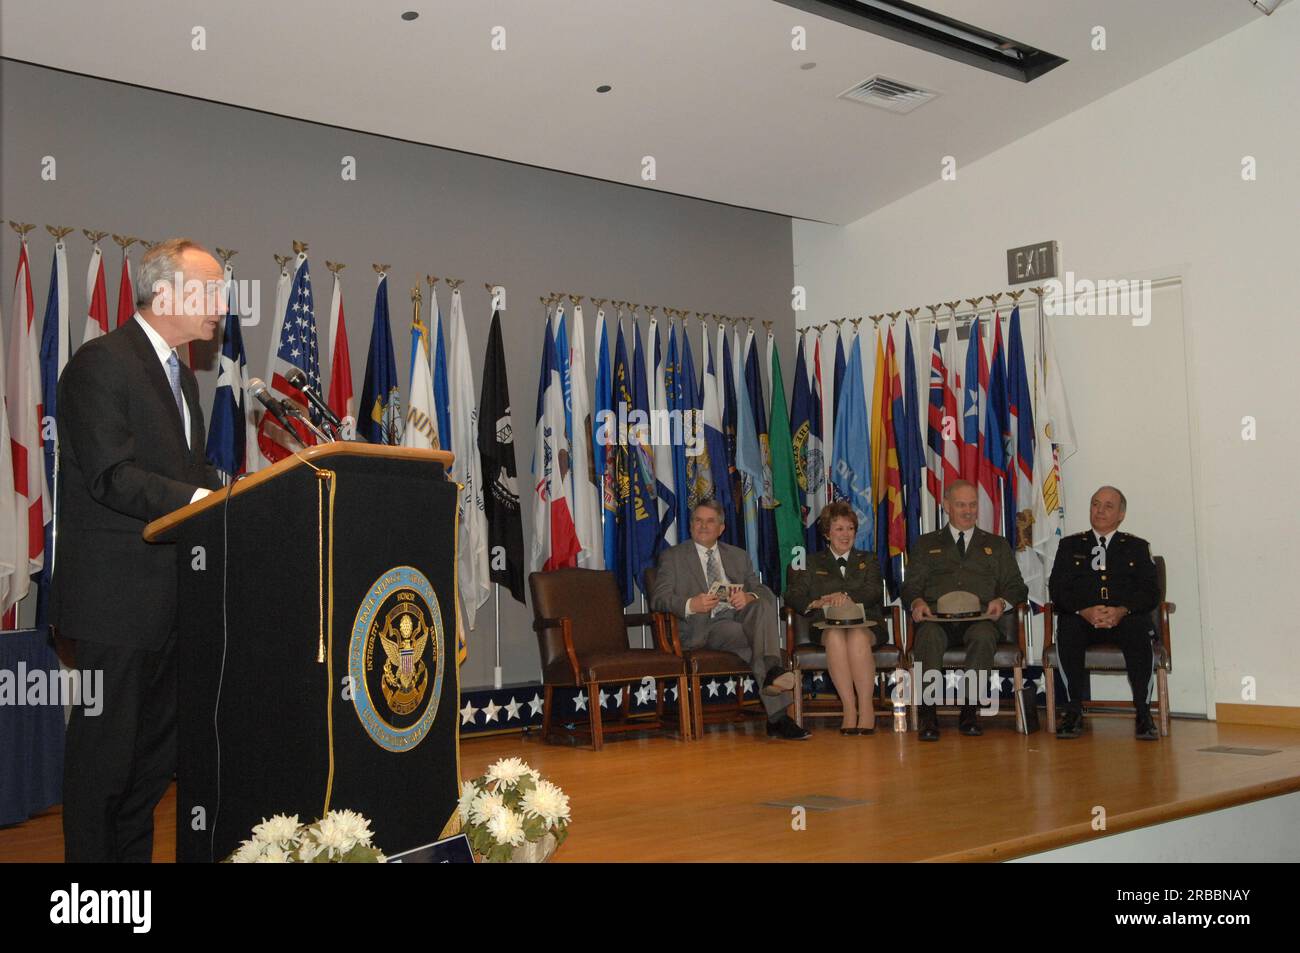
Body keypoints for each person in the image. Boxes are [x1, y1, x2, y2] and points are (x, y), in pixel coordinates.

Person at [53, 238, 226, 861]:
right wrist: (207, 498)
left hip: (173, 605)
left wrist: (228, 493)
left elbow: (185, 471)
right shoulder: (102, 363)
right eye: (212, 291)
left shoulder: (182, 376)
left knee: (148, 772)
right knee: (104, 767)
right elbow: (112, 476)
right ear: (168, 293)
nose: (223, 307)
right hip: (115, 607)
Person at [650, 499, 809, 740]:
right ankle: (777, 705)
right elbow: (659, 598)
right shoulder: (673, 557)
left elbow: (763, 590)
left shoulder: (738, 556)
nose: (703, 526)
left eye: (710, 521)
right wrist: (690, 604)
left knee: (761, 605)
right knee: (753, 640)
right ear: (691, 525)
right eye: (698, 521)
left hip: (738, 618)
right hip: (703, 626)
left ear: (721, 528)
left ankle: (774, 689)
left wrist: (749, 595)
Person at [901, 480, 1027, 741]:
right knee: (928, 636)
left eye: (972, 504)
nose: (968, 511)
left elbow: (1017, 586)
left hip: (979, 618)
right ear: (947, 506)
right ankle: (928, 714)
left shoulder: (997, 544)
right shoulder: (926, 544)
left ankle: (970, 711)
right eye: (961, 505)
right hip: (936, 618)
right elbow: (910, 585)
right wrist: (917, 602)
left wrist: (1001, 602)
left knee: (983, 636)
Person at [1048, 486, 1161, 741]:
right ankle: (1073, 710)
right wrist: (1083, 610)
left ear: (1121, 514)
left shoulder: (1137, 547)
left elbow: (1151, 591)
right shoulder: (1070, 545)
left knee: (1137, 630)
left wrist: (1122, 610)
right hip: (1083, 619)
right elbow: (1057, 589)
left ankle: (1143, 713)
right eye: (1095, 504)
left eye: (1108, 506)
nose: (1100, 510)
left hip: (1123, 619)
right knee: (1068, 627)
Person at [784, 501, 884, 734]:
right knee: (836, 638)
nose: (845, 534)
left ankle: (866, 708)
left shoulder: (869, 559)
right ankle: (849, 708)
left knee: (857, 637)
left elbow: (874, 591)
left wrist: (845, 595)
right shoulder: (809, 562)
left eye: (850, 528)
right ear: (827, 533)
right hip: (826, 624)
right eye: (839, 528)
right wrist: (816, 602)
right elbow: (792, 594)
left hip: (866, 622)